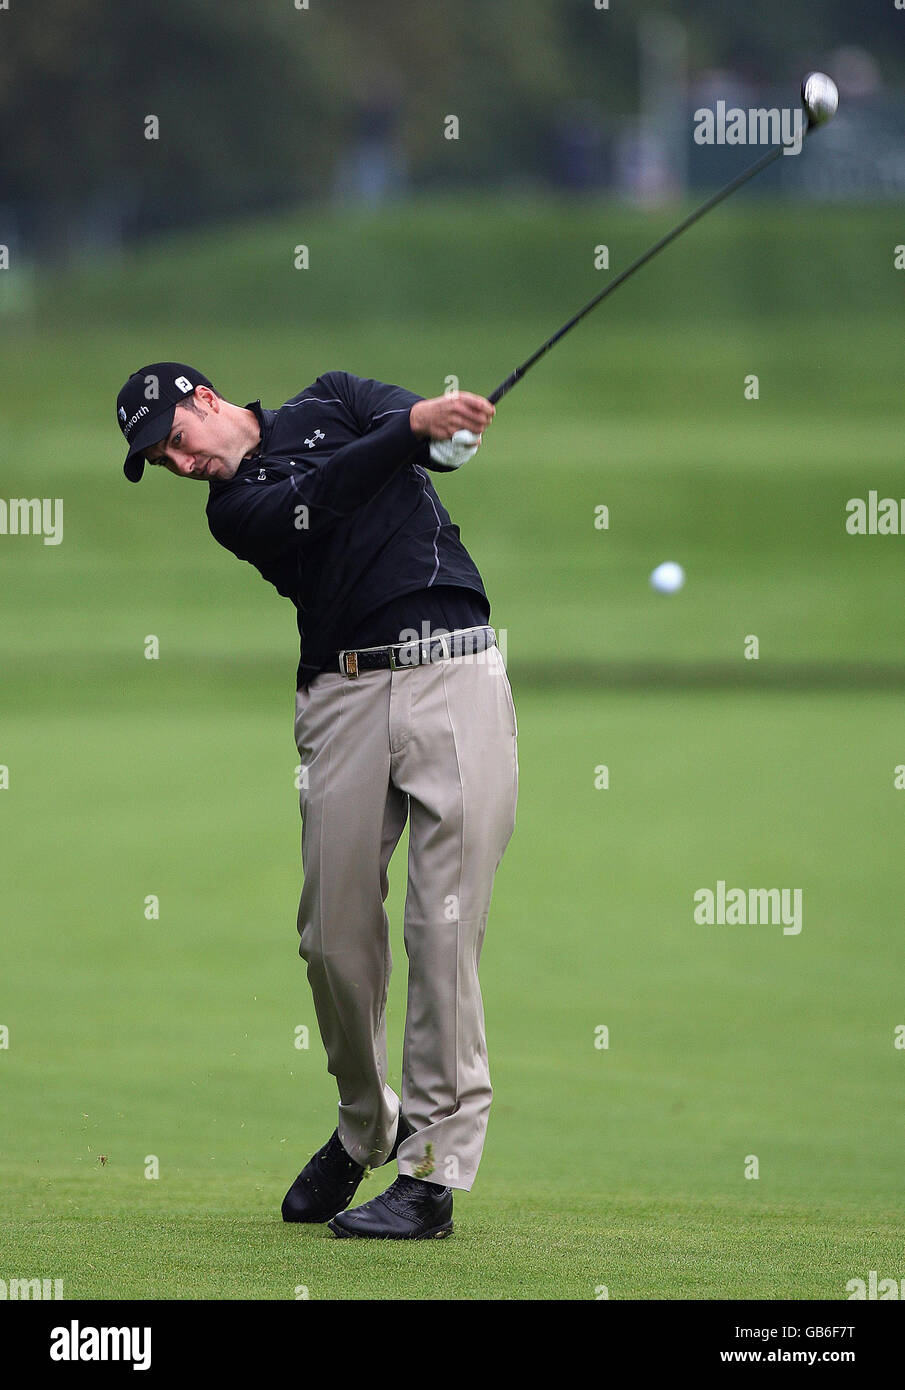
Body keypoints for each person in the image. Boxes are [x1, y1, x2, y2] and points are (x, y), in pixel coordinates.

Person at [114, 362, 519, 1239]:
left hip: (456, 670)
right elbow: (330, 493)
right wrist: (413, 431)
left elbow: (432, 445)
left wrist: (449, 429)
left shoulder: (333, 398)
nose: (178, 467)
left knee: (442, 931)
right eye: (160, 463)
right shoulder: (233, 513)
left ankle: (429, 1176)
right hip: (341, 699)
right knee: (331, 938)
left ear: (207, 402)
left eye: (174, 443)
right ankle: (363, 1127)